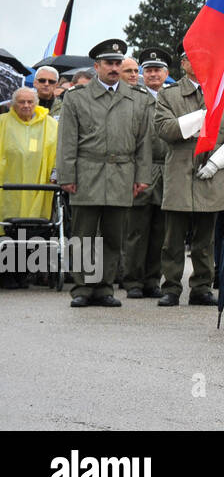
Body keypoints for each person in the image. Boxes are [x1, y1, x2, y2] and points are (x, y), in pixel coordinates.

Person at [56, 39, 153, 308]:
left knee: (113, 236)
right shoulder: (77, 98)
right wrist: (67, 175)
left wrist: (141, 176)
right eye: (108, 63)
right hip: (87, 172)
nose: (114, 68)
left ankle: (104, 288)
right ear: (96, 66)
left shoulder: (137, 98)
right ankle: (82, 288)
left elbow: (144, 141)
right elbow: (67, 140)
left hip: (123, 173)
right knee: (84, 233)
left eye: (117, 63)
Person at [154, 51, 224, 308]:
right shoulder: (169, 94)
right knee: (172, 238)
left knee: (205, 240)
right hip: (180, 172)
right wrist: (200, 117)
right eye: (192, 59)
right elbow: (164, 129)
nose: (198, 64)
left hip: (212, 170)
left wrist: (217, 162)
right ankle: (171, 287)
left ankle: (202, 287)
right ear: (183, 64)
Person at [121, 50, 168, 299]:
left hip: (167, 169)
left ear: (166, 74)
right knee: (136, 230)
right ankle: (133, 281)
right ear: (142, 74)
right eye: (148, 70)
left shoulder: (171, 98)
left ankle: (152, 280)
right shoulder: (132, 97)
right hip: (141, 168)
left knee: (161, 230)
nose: (153, 74)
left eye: (157, 70)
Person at [0, 87, 58, 287]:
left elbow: (58, 153)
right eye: (21, 102)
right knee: (6, 226)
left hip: (38, 186)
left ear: (36, 103)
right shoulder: (2, 123)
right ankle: (6, 273)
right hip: (8, 185)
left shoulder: (50, 125)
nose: (26, 106)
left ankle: (23, 272)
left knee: (33, 225)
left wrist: (55, 175)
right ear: (13, 104)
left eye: (30, 102)